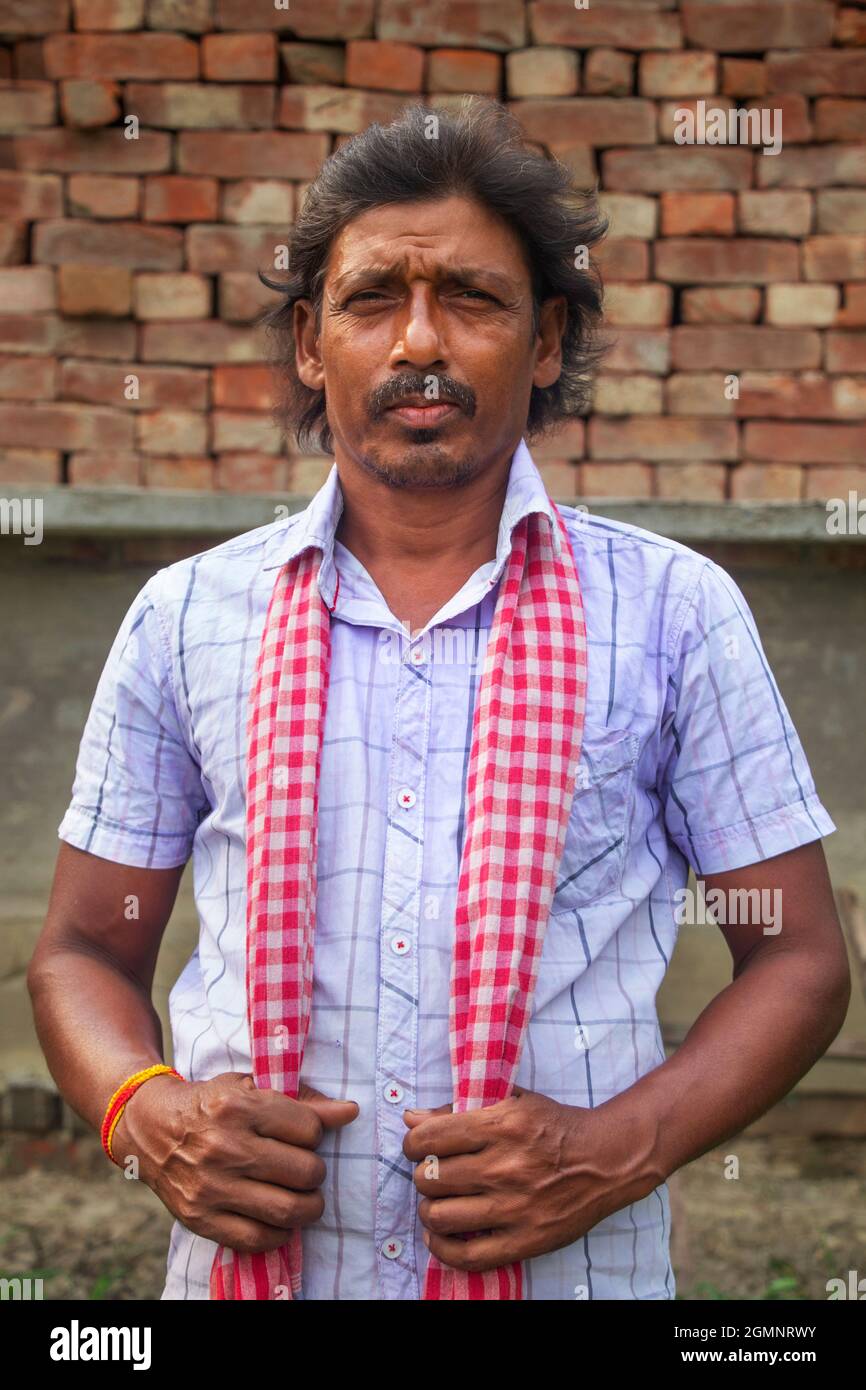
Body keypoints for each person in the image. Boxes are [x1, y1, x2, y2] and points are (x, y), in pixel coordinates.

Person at [29, 99, 849, 1301]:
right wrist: (144, 1112)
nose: (419, 340)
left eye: (470, 298)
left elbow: (797, 959)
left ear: (548, 340)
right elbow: (82, 950)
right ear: (311, 344)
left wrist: (601, 1151)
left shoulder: (674, 611)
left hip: (572, 1277)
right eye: (372, 300)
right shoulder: (188, 615)